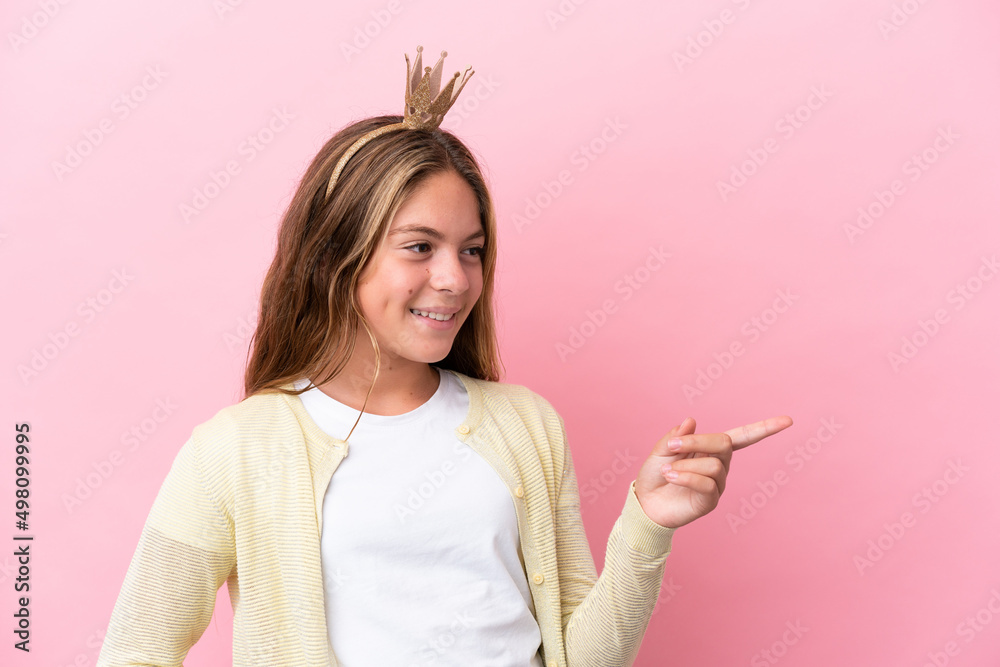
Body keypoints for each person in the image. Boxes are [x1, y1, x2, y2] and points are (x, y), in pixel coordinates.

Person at [97, 46, 792, 667]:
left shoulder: (525, 425)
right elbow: (136, 648)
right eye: (420, 246)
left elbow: (584, 658)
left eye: (472, 249)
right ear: (337, 255)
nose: (455, 278)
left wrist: (649, 524)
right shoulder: (237, 448)